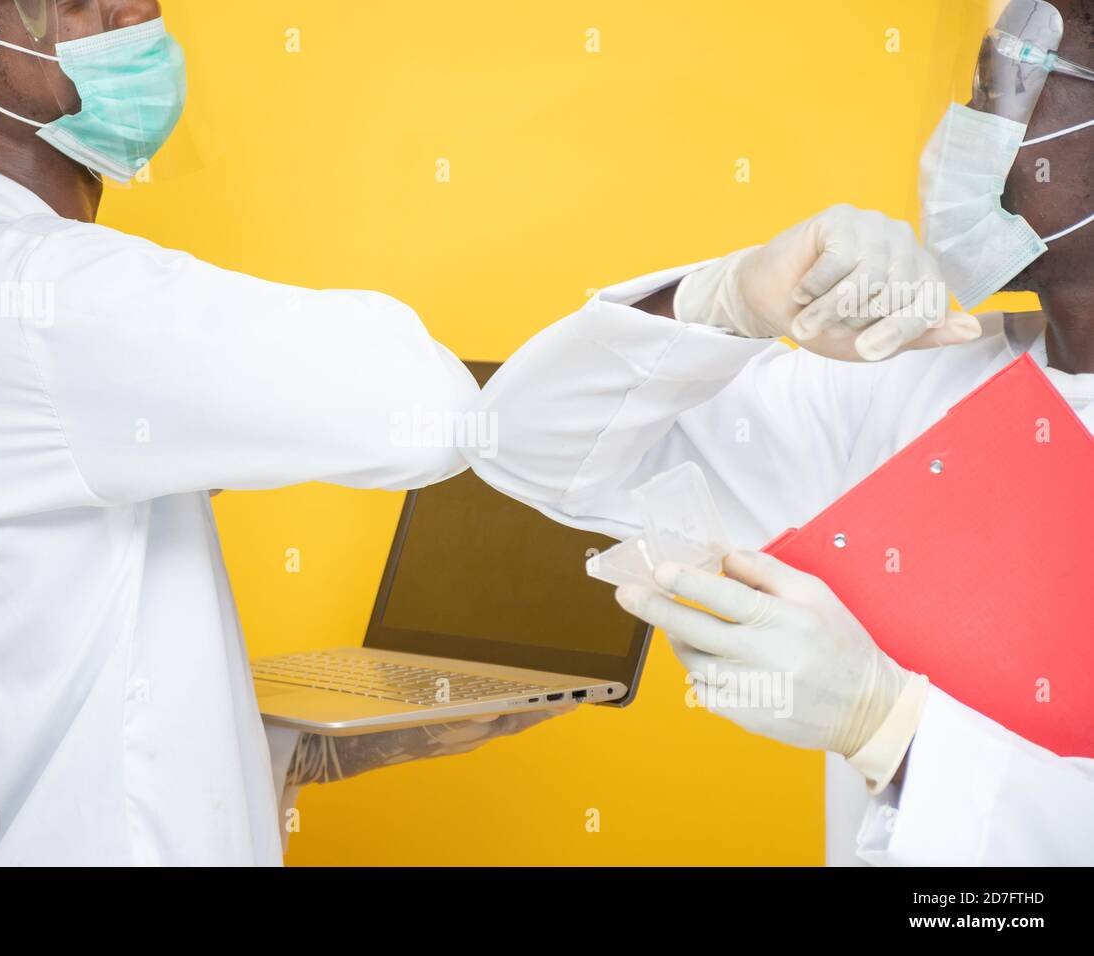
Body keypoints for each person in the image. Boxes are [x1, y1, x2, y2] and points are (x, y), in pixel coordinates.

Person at [0, 0, 565, 866]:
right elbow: (428, 409)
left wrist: (274, 747)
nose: (137, 9)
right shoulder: (38, 293)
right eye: (75, 1)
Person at [468, 0, 1094, 865]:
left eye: (1008, 90)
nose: (967, 134)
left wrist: (894, 729)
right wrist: (727, 301)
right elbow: (526, 447)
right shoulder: (908, 383)